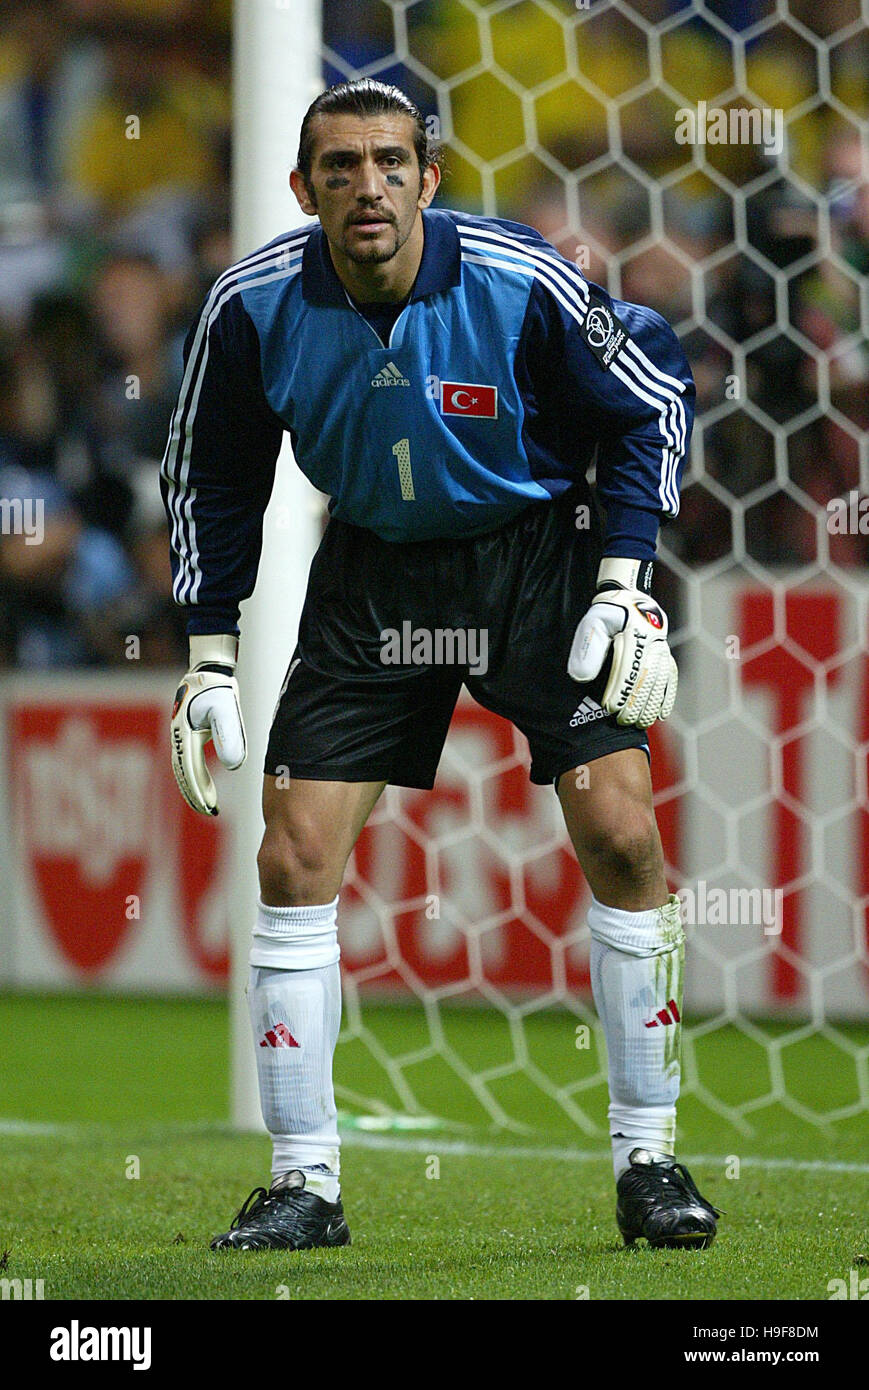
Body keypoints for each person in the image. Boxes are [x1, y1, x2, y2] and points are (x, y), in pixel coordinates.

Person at [161, 79, 720, 1253]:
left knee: (622, 835)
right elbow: (210, 470)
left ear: (428, 171)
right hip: (373, 569)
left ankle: (651, 1162)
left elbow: (650, 393)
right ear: (301, 185)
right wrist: (207, 652)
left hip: (540, 556)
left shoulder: (521, 281)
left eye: (387, 162)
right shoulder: (250, 305)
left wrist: (625, 582)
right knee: (293, 851)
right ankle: (303, 1180)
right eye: (340, 167)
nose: (367, 186)